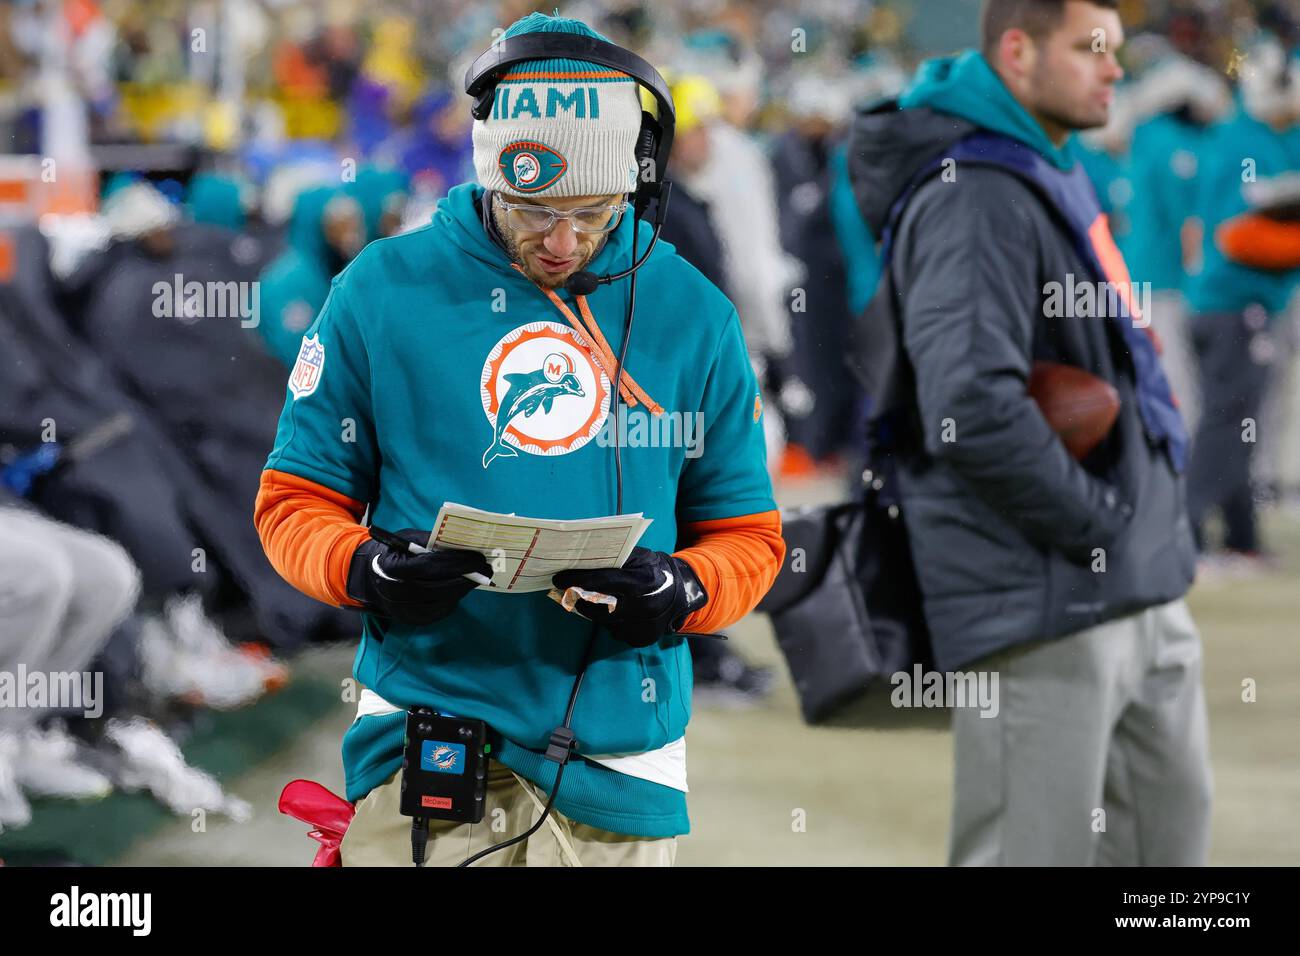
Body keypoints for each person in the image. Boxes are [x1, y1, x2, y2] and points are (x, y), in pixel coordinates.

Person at [255, 13, 783, 867]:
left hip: (621, 760)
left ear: (640, 184)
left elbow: (749, 537)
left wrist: (685, 590)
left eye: (595, 211)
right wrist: (366, 570)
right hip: (424, 743)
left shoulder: (693, 316)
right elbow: (294, 502)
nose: (564, 242)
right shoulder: (380, 294)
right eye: (533, 208)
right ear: (487, 173)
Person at [847, 0, 1209, 865]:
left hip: (1136, 580)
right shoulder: (972, 191)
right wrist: (1097, 521)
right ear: (1017, 51)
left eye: (1117, 50)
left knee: (1170, 863)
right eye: (1091, 49)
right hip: (1042, 593)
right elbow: (967, 404)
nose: (1114, 69)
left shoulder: (1041, 165)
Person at [1183, 37, 1300, 566]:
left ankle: (1240, 536)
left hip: (1237, 305)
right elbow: (1236, 236)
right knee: (1228, 422)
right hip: (1233, 303)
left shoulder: (1272, 138)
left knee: (1240, 420)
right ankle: (1184, 532)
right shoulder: (1245, 143)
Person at [255, 184, 364, 368]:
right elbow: (296, 359)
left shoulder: (334, 270)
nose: (347, 233)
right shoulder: (290, 280)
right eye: (337, 223)